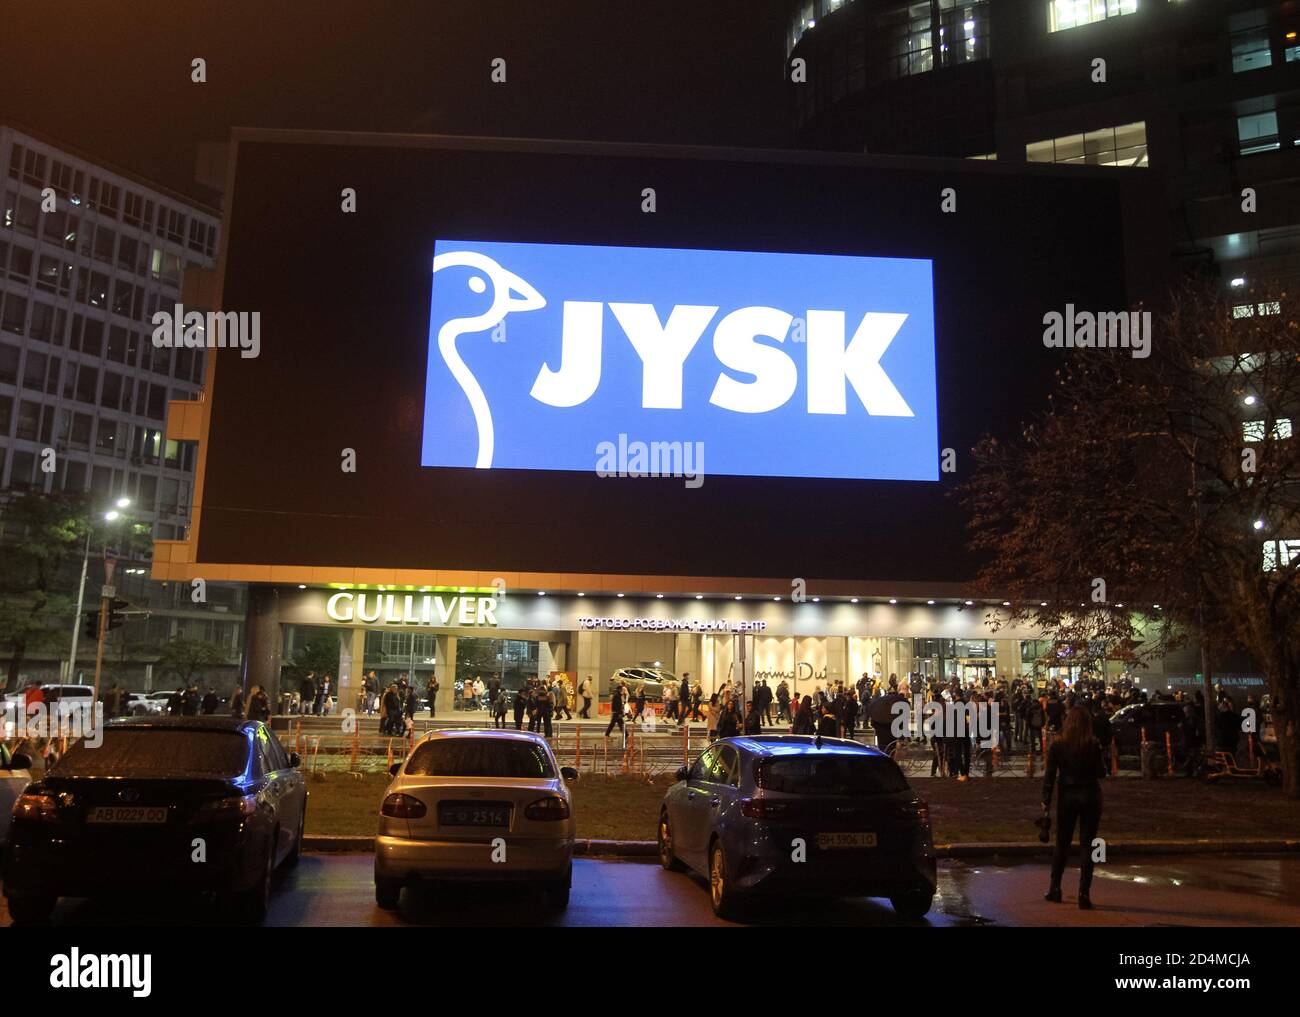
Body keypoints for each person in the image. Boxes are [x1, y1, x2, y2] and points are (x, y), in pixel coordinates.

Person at [1042, 706, 1107, 909]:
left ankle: (1055, 888)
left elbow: (1050, 774)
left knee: (1063, 842)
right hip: (1090, 795)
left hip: (1067, 795)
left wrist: (1046, 798)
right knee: (1089, 844)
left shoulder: (1058, 744)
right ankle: (1084, 893)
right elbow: (1102, 773)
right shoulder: (1092, 744)